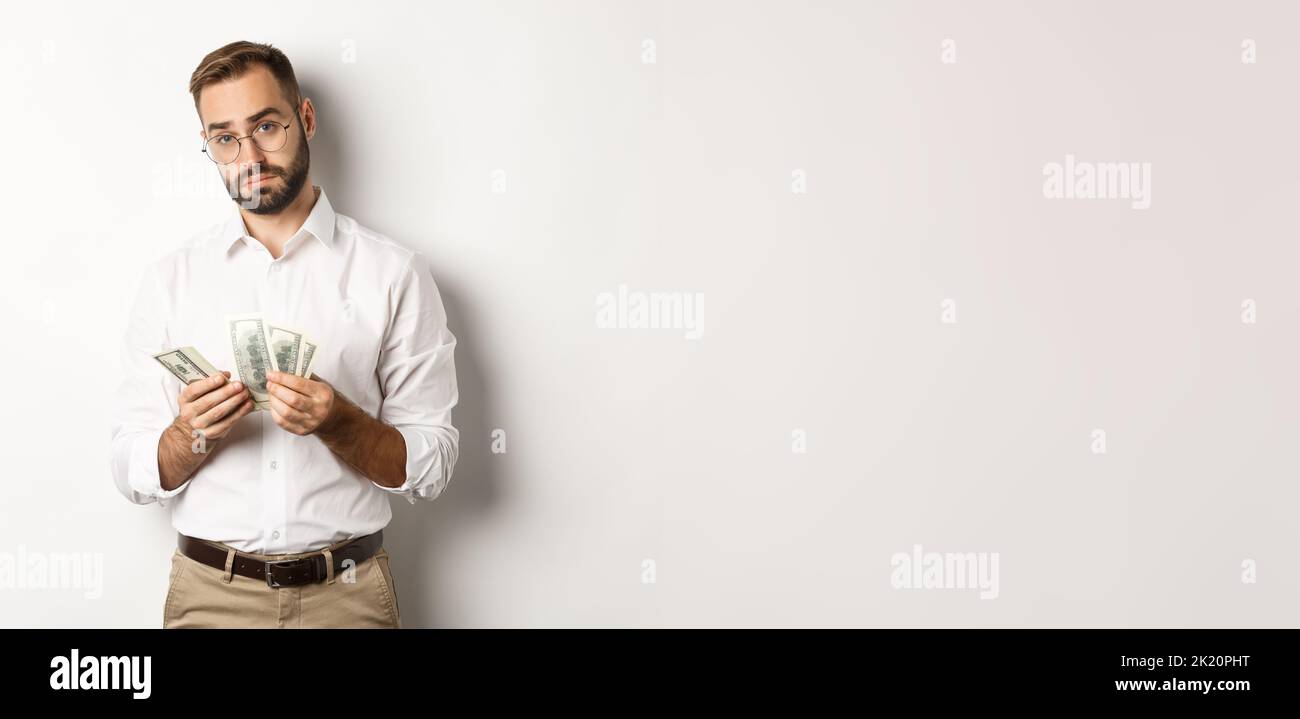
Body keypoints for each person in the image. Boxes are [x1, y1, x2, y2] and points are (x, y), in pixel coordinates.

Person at [108, 40, 459, 628]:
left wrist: (342, 424)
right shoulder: (170, 280)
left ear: (307, 119)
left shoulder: (393, 273)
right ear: (209, 146)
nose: (248, 155)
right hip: (209, 598)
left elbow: (435, 465)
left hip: (347, 597)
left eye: (267, 125)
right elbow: (131, 470)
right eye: (224, 138)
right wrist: (187, 437)